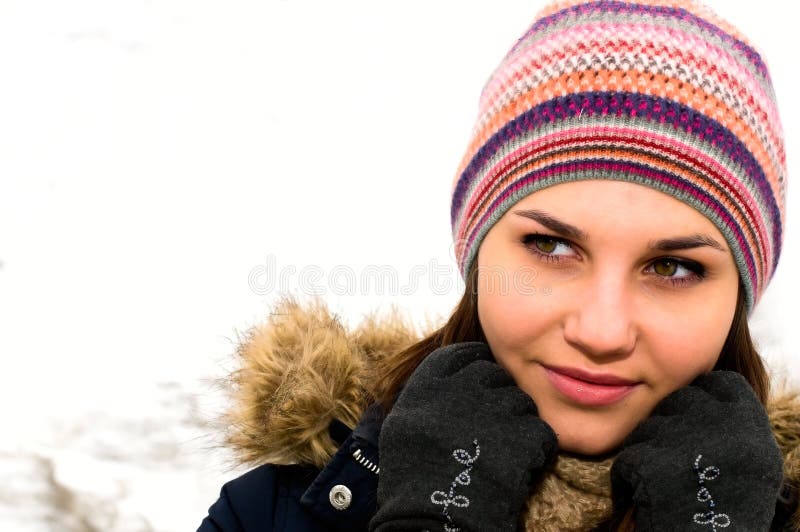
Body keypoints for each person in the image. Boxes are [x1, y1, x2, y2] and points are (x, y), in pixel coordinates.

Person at [198, 0, 800, 530]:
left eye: (671, 267)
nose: (601, 331)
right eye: (552, 247)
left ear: (738, 298)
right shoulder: (270, 515)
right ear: (477, 252)